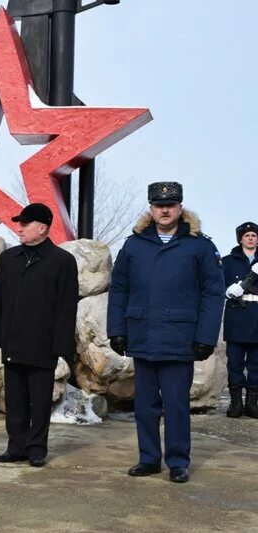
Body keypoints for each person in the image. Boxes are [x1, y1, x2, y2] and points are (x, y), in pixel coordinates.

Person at [108, 181, 224, 483]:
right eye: (159, 205)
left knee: (176, 405)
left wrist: (205, 337)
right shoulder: (134, 245)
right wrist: (117, 330)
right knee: (145, 405)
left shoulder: (199, 246)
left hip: (179, 338)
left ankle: (177, 461)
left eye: (170, 205)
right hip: (143, 336)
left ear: (180, 208)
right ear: (151, 208)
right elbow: (119, 288)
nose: (164, 210)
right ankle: (148, 458)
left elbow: (213, 293)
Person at [0, 202, 79, 468]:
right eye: (19, 223)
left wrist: (61, 346)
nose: (20, 228)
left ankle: (37, 448)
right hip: (13, 342)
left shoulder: (62, 261)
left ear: (42, 227)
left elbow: (66, 307)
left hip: (43, 344)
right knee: (14, 400)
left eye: (25, 224)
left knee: (39, 400)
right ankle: (15, 446)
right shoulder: (8, 259)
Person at [222, 221, 258, 418]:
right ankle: (235, 404)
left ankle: (252, 404)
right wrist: (228, 289)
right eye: (247, 235)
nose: (250, 238)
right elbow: (216, 284)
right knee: (235, 362)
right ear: (240, 239)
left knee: (256, 364)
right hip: (236, 316)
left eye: (254, 235)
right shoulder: (228, 261)